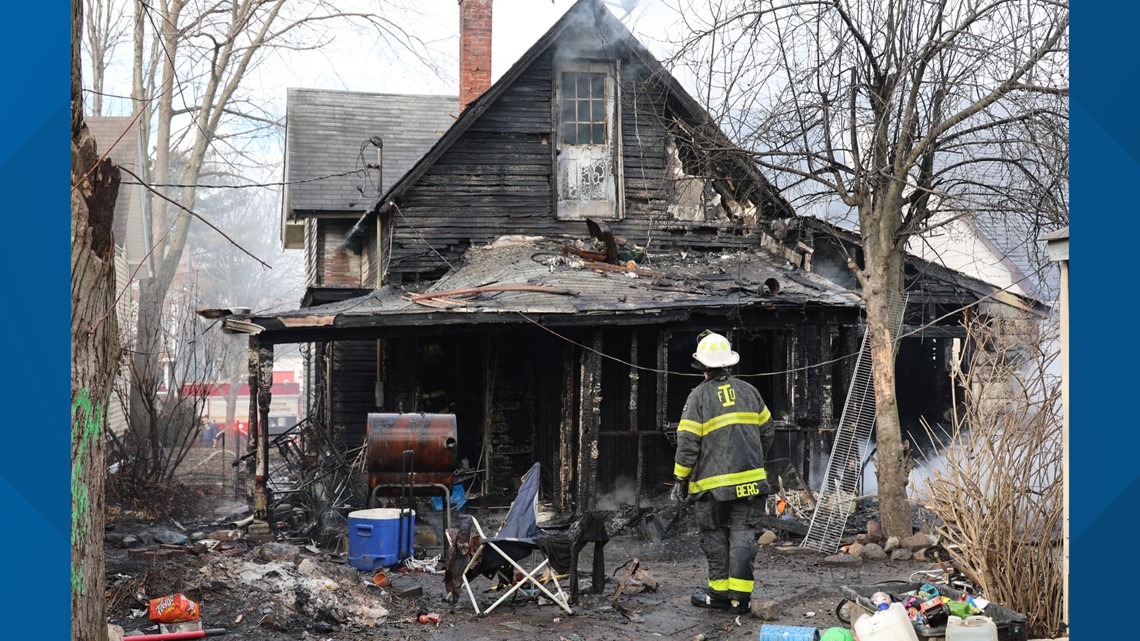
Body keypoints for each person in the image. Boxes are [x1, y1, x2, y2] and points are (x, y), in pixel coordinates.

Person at [671, 330, 773, 614]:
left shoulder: (698, 397)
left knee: (714, 535)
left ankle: (718, 596)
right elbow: (767, 431)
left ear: (702, 367)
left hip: (712, 488)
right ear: (729, 364)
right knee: (743, 535)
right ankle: (740, 600)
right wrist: (754, 459)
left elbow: (688, 443)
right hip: (751, 483)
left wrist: (681, 478)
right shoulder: (750, 392)